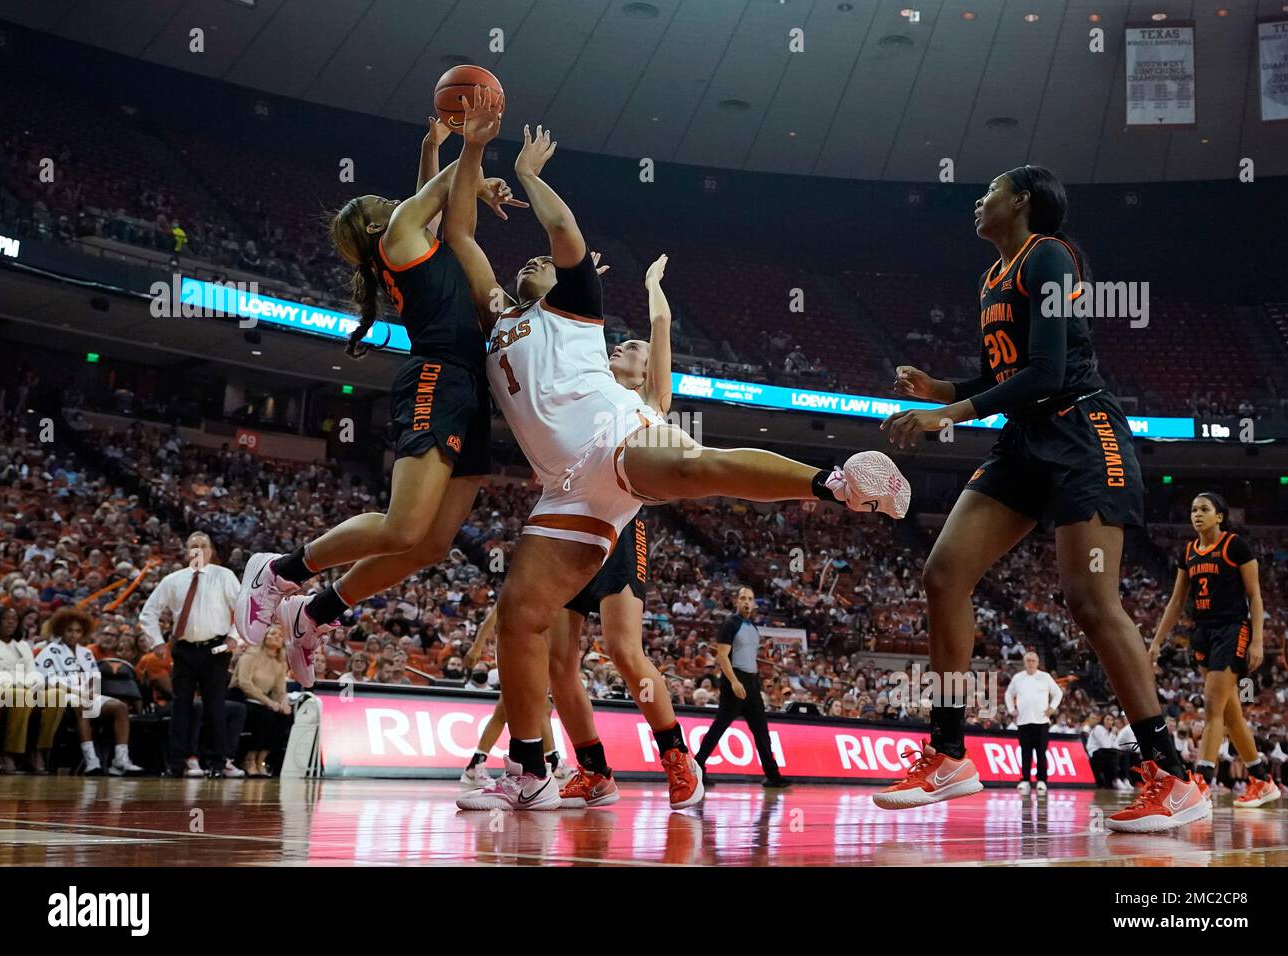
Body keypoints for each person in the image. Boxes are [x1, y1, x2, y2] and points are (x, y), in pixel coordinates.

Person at [443, 90, 907, 811]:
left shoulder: (574, 303)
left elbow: (562, 229)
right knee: (520, 619)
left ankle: (837, 480)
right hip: (563, 488)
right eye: (528, 260)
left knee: (694, 473)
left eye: (543, 260)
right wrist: (468, 149)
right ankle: (535, 769)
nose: (535, 258)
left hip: (617, 437)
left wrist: (528, 174)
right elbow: (463, 234)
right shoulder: (499, 312)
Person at [876, 165, 1208, 832]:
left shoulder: (1049, 258)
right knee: (943, 574)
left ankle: (1173, 773)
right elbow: (1005, 373)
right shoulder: (988, 279)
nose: (978, 199)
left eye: (990, 190)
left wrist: (954, 414)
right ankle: (948, 753)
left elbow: (1049, 372)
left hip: (1084, 437)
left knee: (1089, 600)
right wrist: (943, 390)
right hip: (1025, 443)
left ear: (1022, 201)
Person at [234, 129, 526, 685]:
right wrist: (473, 148)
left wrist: (433, 150)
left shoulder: (414, 243)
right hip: (436, 377)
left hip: (469, 388)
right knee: (401, 527)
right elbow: (430, 199)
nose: (394, 204)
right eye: (383, 205)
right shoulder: (398, 238)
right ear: (376, 226)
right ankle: (281, 570)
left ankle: (315, 612)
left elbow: (431, 199)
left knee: (431, 544)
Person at [544, 255, 704, 811]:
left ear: (643, 371)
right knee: (557, 661)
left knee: (621, 649)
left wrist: (653, 284)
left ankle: (677, 757)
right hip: (568, 525)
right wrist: (571, 291)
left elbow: (660, 330)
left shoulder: (650, 402)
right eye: (619, 346)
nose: (624, 350)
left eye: (631, 351)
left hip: (619, 524)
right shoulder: (587, 391)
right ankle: (593, 771)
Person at [1148, 492, 1278, 808]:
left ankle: (1202, 781)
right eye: (1193, 509)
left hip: (1232, 629)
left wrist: (1257, 640)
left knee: (1211, 706)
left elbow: (1255, 596)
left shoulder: (1235, 546)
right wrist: (1155, 642)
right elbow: (1177, 603)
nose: (1197, 514)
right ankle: (1261, 780)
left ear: (1219, 516)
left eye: (1204, 509)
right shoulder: (1189, 552)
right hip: (1202, 632)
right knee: (1230, 713)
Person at [139, 532, 242, 778]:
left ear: (210, 550)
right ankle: (177, 763)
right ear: (187, 551)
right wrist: (156, 641)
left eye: (202, 546)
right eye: (193, 545)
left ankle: (218, 763)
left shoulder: (224, 576)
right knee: (181, 707)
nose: (197, 549)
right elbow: (148, 612)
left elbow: (242, 610)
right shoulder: (173, 579)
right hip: (183, 649)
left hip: (216, 649)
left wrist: (233, 637)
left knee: (215, 708)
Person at [691, 587, 790, 789]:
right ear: (737, 601)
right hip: (734, 680)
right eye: (743, 598)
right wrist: (734, 681)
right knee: (719, 727)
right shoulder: (730, 624)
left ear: (754, 604)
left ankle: (773, 775)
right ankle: (697, 768)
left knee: (762, 731)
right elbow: (722, 656)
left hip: (752, 683)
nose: (746, 602)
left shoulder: (753, 627)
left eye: (750, 599)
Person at [459, 607, 568, 787]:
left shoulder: (546, 590)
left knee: (510, 711)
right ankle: (555, 764)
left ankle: (474, 766)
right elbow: (494, 613)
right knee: (537, 704)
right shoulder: (524, 582)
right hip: (516, 649)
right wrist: (477, 646)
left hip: (532, 650)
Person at [33, 607, 142, 776]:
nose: (73, 634)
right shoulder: (48, 651)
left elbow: (94, 679)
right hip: (63, 697)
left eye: (78, 631)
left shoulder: (86, 653)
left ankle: (120, 760)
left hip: (88, 695)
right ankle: (92, 761)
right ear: (60, 629)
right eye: (69, 630)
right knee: (82, 705)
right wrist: (79, 693)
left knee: (120, 707)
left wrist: (91, 691)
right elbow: (46, 682)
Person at [229, 623, 292, 777]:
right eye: (273, 633)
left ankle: (261, 759)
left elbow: (279, 690)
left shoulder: (280, 663)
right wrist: (268, 702)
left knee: (285, 717)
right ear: (264, 637)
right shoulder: (251, 655)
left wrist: (283, 703)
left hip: (261, 700)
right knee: (265, 716)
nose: (277, 637)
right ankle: (249, 759)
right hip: (240, 696)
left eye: (280, 635)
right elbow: (245, 683)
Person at [1004, 651, 1062, 794]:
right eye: (1028, 660)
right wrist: (1012, 709)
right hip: (1023, 722)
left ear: (1037, 663)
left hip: (1041, 721)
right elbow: (1008, 694)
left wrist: (1052, 708)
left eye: (1033, 661)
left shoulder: (1045, 677)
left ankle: (1042, 780)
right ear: (1024, 663)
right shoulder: (1018, 678)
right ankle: (1025, 780)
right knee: (1025, 753)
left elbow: (1058, 693)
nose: (1030, 663)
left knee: (1041, 752)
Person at [0, 605, 37, 773]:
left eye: (14, 619)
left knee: (55, 695)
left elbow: (33, 673)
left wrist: (30, 685)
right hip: (1, 689)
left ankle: (38, 753)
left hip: (22, 689)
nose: (11, 623)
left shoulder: (23, 646)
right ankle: (8, 754)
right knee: (21, 695)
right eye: (6, 618)